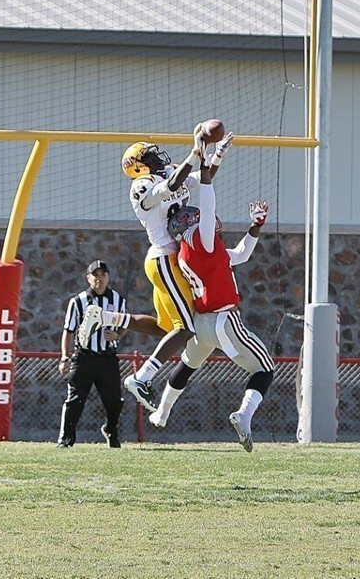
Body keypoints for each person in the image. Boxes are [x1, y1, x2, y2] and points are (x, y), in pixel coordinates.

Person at [146, 150, 274, 452]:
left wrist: (254, 228)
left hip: (201, 322)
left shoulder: (189, 252)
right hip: (224, 319)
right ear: (193, 222)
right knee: (264, 368)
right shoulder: (201, 239)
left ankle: (161, 413)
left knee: (189, 365)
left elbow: (239, 255)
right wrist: (205, 175)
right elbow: (208, 203)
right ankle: (243, 416)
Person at [114, 123, 234, 411]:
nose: (157, 159)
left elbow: (200, 180)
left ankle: (110, 318)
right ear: (137, 167)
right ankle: (141, 378)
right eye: (149, 156)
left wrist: (215, 156)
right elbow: (171, 187)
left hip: (174, 258)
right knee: (185, 328)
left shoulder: (168, 172)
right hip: (163, 259)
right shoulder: (140, 187)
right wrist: (195, 152)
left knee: (164, 327)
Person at [56, 260, 135, 448]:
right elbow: (69, 330)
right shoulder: (78, 302)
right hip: (84, 358)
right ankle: (66, 439)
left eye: (103, 274)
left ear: (108, 277)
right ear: (88, 278)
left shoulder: (118, 300)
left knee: (114, 401)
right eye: (95, 275)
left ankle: (111, 431)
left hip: (107, 358)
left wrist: (117, 334)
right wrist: (65, 357)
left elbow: (125, 323)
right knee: (75, 399)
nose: (99, 278)